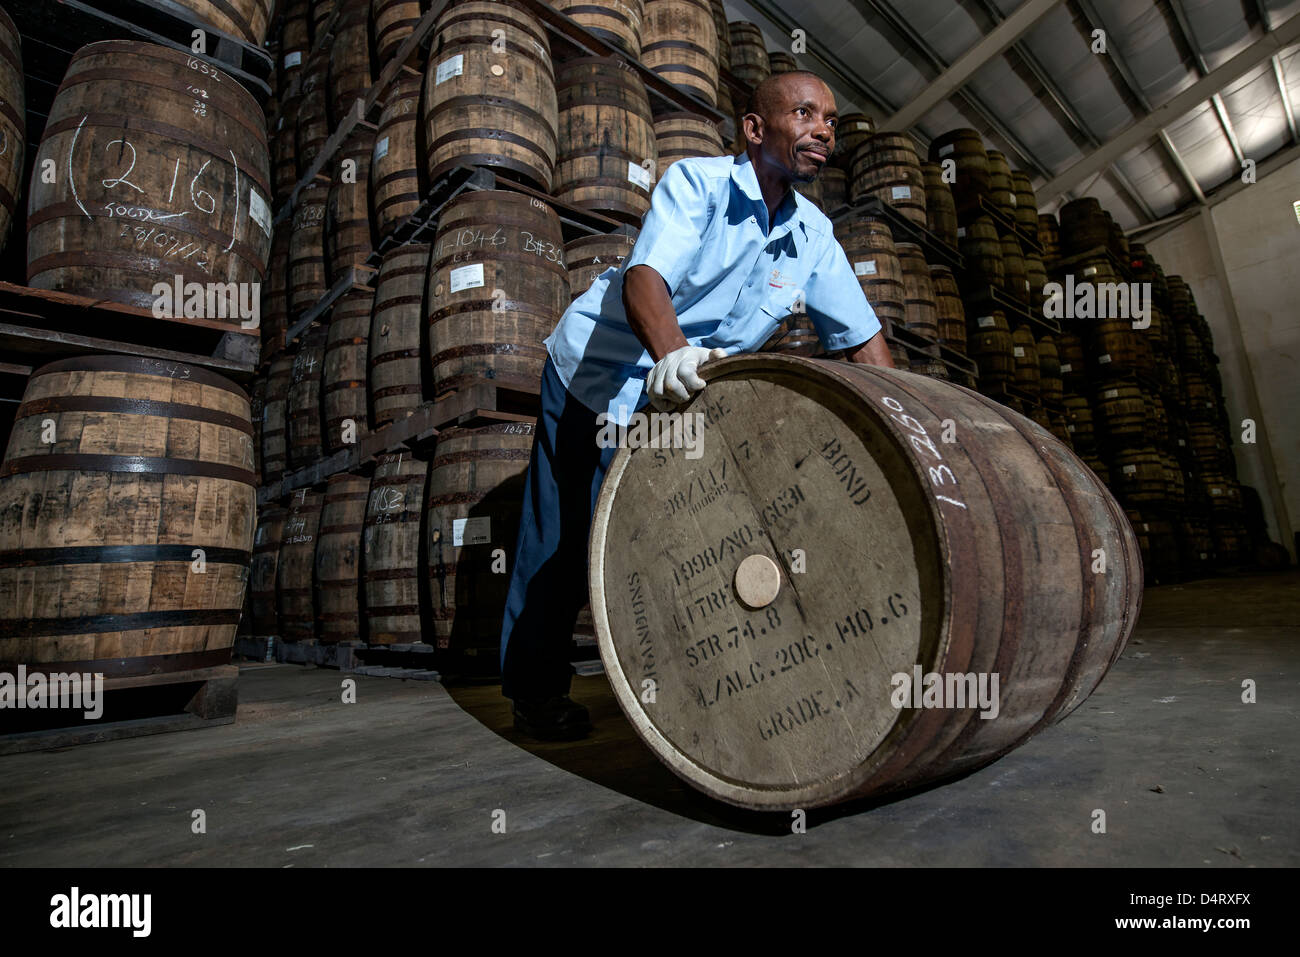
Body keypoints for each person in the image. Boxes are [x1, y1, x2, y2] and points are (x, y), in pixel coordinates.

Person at [500, 70, 895, 739]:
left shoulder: (813, 237)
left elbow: (865, 345)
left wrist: (900, 429)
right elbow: (646, 280)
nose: (823, 129)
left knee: (691, 545)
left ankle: (700, 697)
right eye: (804, 113)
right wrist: (674, 351)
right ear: (754, 128)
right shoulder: (698, 186)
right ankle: (534, 692)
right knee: (567, 539)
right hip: (602, 379)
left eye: (830, 119)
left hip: (681, 399)